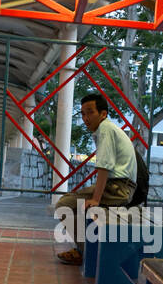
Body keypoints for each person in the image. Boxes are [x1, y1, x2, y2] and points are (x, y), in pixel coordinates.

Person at [54, 93, 136, 265]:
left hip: (118, 188)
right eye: (83, 113)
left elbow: (104, 167)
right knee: (74, 205)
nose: (85, 118)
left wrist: (95, 199)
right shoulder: (107, 129)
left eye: (90, 112)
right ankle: (87, 250)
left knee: (64, 206)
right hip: (120, 187)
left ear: (103, 114)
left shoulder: (105, 129)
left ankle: (89, 254)